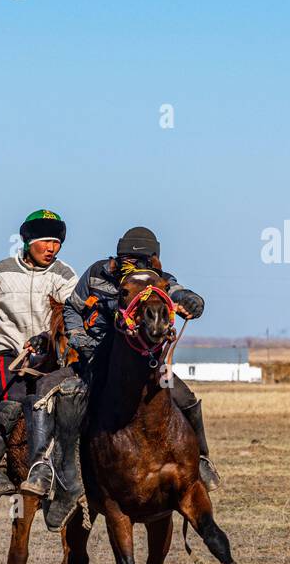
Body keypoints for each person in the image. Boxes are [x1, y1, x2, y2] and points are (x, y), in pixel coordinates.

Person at [50, 225, 219, 528]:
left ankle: (202, 462)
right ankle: (67, 483)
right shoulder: (96, 274)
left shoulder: (157, 281)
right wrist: (77, 337)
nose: (134, 266)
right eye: (127, 259)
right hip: (97, 358)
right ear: (117, 257)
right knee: (70, 400)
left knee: (184, 396)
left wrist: (194, 301)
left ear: (154, 261)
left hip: (147, 363)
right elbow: (72, 308)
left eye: (140, 261)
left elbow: (180, 294)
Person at [0, 209, 78, 500]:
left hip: (49, 356)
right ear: (28, 242)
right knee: (12, 403)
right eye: (45, 241)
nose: (52, 248)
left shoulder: (65, 275)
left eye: (57, 242)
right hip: (10, 353)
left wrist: (45, 338)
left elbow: (73, 315)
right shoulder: (0, 271)